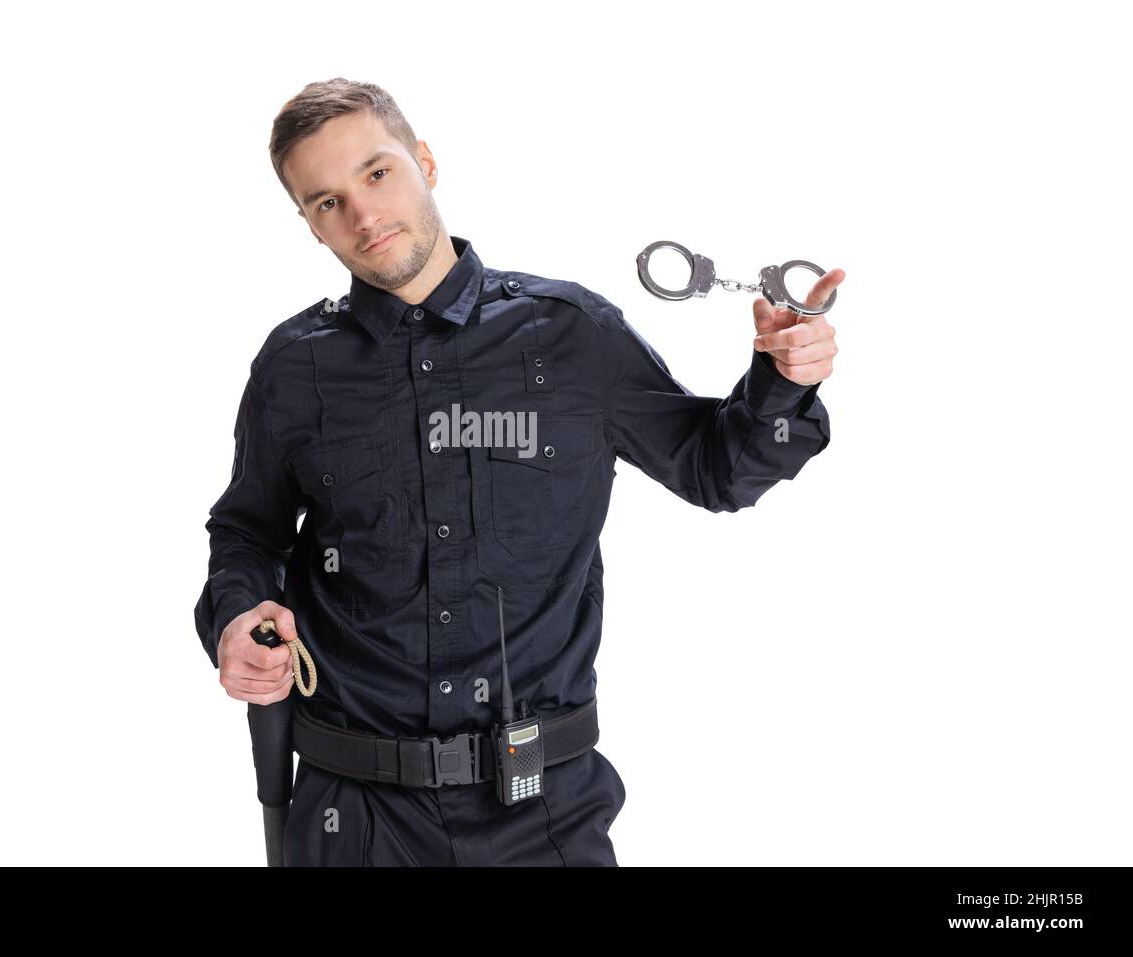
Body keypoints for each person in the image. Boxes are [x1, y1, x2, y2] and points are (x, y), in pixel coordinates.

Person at [193, 78, 841, 866]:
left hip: (542, 816)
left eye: (376, 173)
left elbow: (717, 470)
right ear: (308, 223)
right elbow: (247, 530)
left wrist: (783, 381)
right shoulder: (295, 367)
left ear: (424, 162)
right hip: (352, 819)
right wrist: (236, 613)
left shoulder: (572, 336)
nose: (363, 214)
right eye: (326, 201)